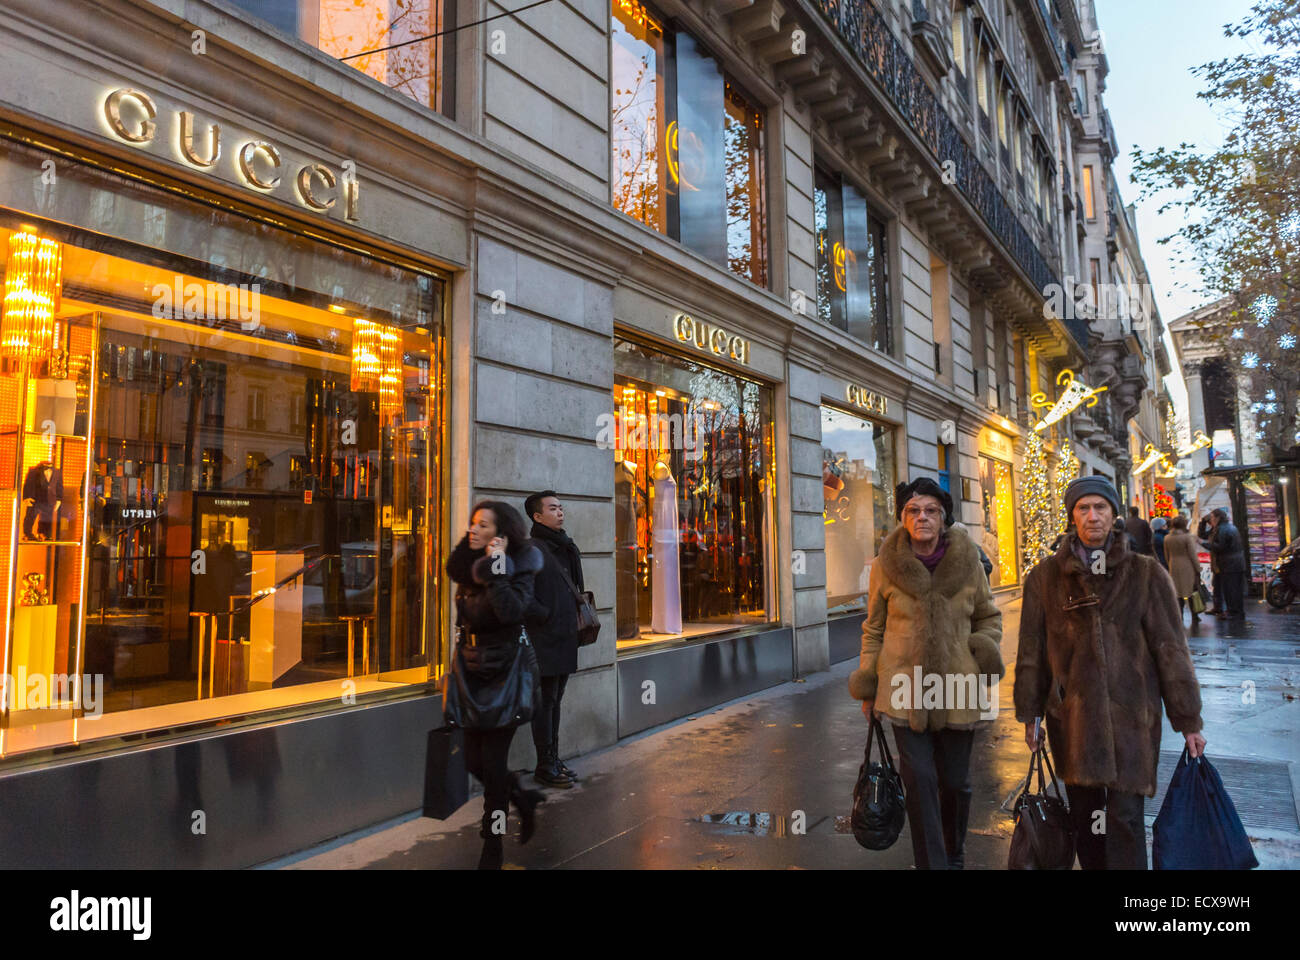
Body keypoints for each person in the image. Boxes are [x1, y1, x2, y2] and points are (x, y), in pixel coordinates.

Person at [1015, 476, 1205, 870]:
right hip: (1074, 722)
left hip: (1133, 721)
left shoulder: (1146, 574)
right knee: (1088, 823)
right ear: (1072, 516)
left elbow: (1171, 650)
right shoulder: (1046, 578)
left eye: (1100, 507)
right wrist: (1030, 713)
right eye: (1083, 508)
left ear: (1114, 513)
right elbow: (1031, 653)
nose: (1092, 516)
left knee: (1127, 820)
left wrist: (1188, 720)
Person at [848, 477, 1003, 869]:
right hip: (903, 690)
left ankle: (953, 854)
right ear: (902, 517)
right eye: (913, 511)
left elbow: (988, 616)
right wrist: (868, 683)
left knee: (955, 783)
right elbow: (874, 629)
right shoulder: (886, 564)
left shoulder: (968, 561)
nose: (922, 518)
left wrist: (982, 654)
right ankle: (933, 864)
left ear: (944, 516)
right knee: (919, 781)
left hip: (957, 687)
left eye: (930, 510)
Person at [446, 500, 547, 870]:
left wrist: (498, 568)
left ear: (500, 536)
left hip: (505, 673)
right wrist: (483, 559)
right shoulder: (468, 568)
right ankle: (521, 794)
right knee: (474, 761)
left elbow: (510, 612)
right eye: (472, 524)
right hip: (472, 672)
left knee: (491, 766)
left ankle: (493, 849)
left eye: (482, 525)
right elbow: (456, 568)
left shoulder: (519, 566)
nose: (472, 531)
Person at [523, 489, 584, 788]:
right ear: (537, 516)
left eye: (561, 507)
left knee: (556, 700)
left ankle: (554, 758)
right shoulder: (531, 549)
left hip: (565, 635)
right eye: (553, 508)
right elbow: (522, 594)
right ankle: (544, 764)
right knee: (544, 702)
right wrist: (544, 614)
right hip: (544, 637)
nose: (560, 512)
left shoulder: (567, 546)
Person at [1202, 508, 1246, 619]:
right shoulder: (1224, 527)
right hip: (1231, 563)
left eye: (1212, 517)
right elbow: (1204, 535)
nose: (1210, 519)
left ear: (1217, 518)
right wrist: (1203, 522)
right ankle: (1232, 610)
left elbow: (1220, 547)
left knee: (1231, 589)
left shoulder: (1223, 529)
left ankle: (1233, 612)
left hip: (1229, 564)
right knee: (1228, 588)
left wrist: (1203, 544)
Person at [1164, 515, 1203, 624]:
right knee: (1191, 591)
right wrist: (1198, 568)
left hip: (1174, 565)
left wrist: (1170, 564)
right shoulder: (1187, 537)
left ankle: (1179, 615)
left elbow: (1166, 555)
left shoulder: (1167, 537)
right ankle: (1194, 615)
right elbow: (1192, 554)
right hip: (1187, 565)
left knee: (1177, 592)